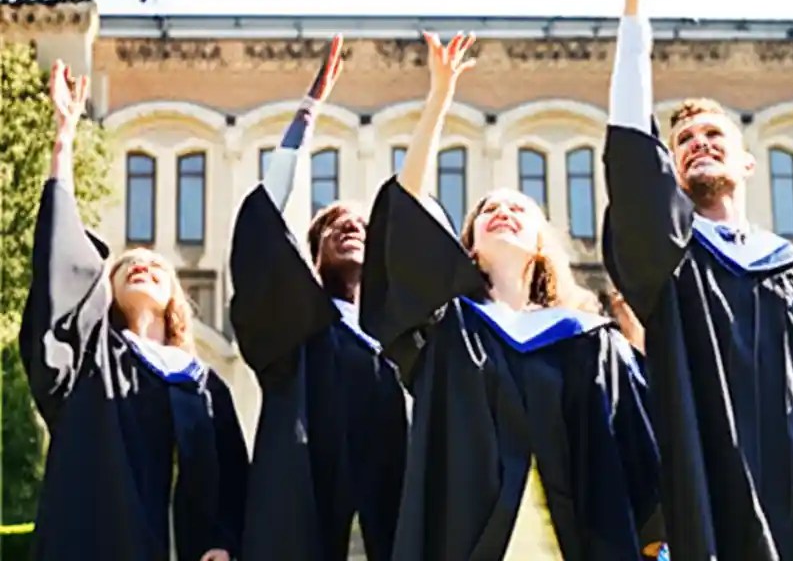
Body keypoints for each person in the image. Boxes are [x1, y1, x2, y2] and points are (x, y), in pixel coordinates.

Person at [598, 0, 793, 560]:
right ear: (671, 170)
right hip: (717, 495)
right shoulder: (673, 267)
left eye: (712, 135)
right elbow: (628, 146)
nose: (697, 144)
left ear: (748, 161)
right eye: (683, 141)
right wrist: (635, 10)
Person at [360, 31, 664, 560]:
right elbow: (407, 226)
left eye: (518, 209)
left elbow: (638, 451)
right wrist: (438, 100)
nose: (502, 211)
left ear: (542, 246)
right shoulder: (451, 330)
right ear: (469, 250)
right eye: (487, 211)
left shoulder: (589, 341)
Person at [20, 62, 248, 561]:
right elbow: (63, 272)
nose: (142, 265)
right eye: (129, 266)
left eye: (155, 266)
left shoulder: (207, 387)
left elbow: (233, 482)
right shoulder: (89, 360)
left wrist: (221, 545)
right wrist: (64, 141)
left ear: (175, 297)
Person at [228, 36, 407, 561]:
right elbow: (268, 219)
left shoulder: (399, 338)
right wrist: (307, 115)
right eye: (334, 226)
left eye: (361, 226)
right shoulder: (294, 327)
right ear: (312, 254)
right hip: (302, 509)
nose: (349, 228)